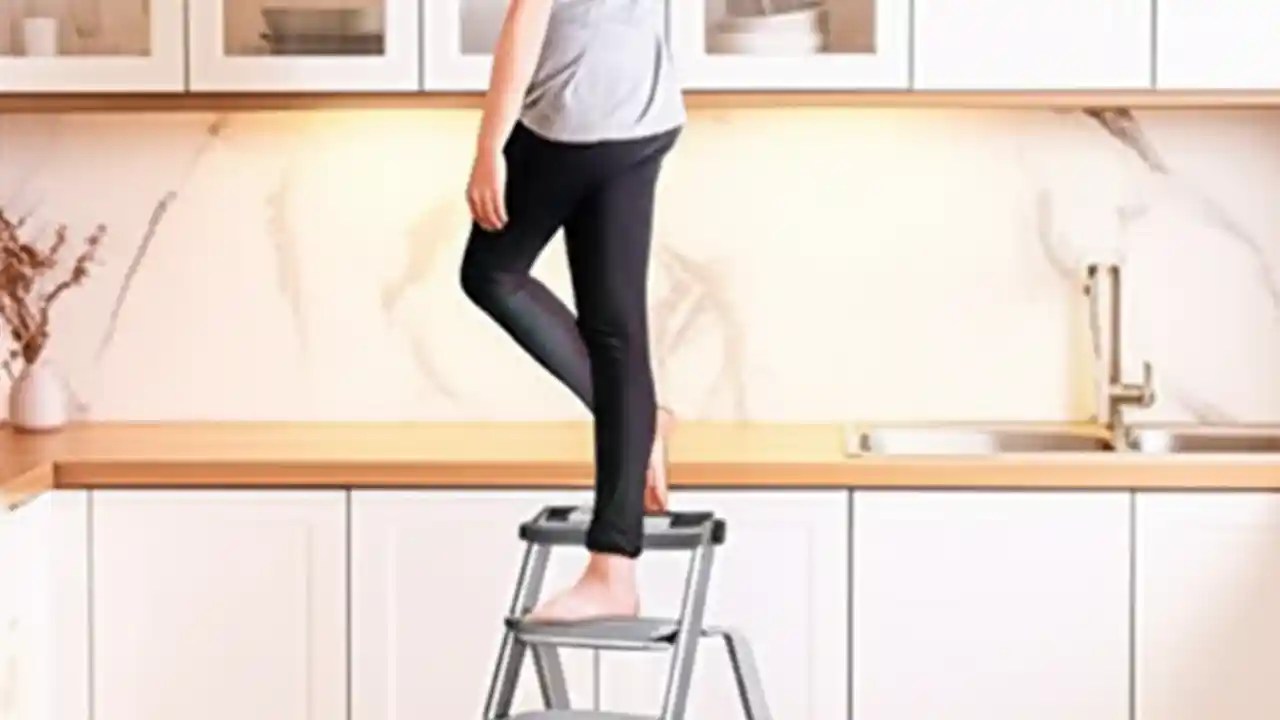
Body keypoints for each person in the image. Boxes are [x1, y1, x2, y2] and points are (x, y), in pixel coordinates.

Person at [459, 0, 686, 623]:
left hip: (576, 112)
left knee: (491, 271)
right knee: (617, 335)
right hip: (644, 107)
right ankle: (615, 567)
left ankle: (638, 419)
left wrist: (489, 147)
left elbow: (527, 14)